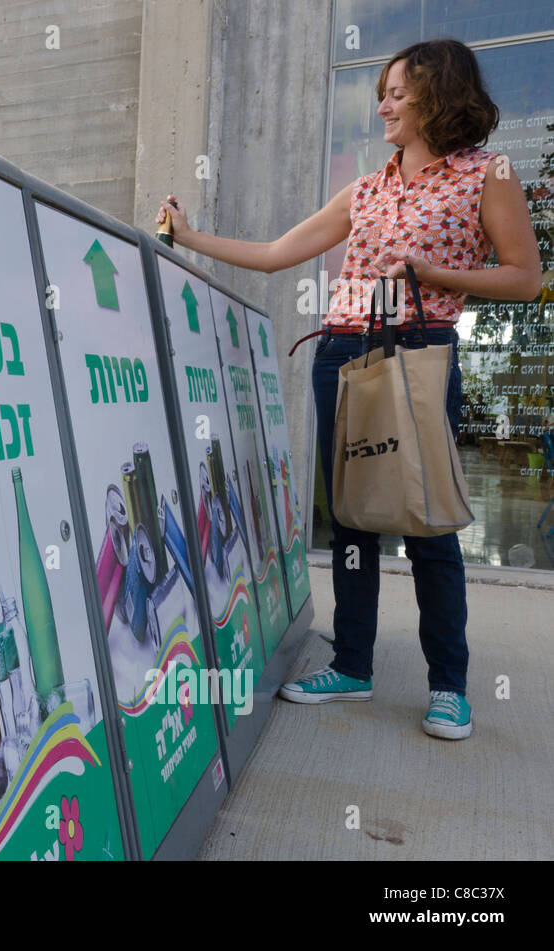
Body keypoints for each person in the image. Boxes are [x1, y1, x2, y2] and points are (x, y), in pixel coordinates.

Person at [154, 39, 541, 740]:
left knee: (427, 517)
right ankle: (352, 664)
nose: (384, 106)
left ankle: (449, 685)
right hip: (340, 351)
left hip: (420, 350)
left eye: (397, 92)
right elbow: (276, 254)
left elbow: (525, 277)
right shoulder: (366, 188)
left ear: (436, 93)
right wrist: (190, 236)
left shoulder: (490, 173)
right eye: (381, 95)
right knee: (354, 517)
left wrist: (435, 274)